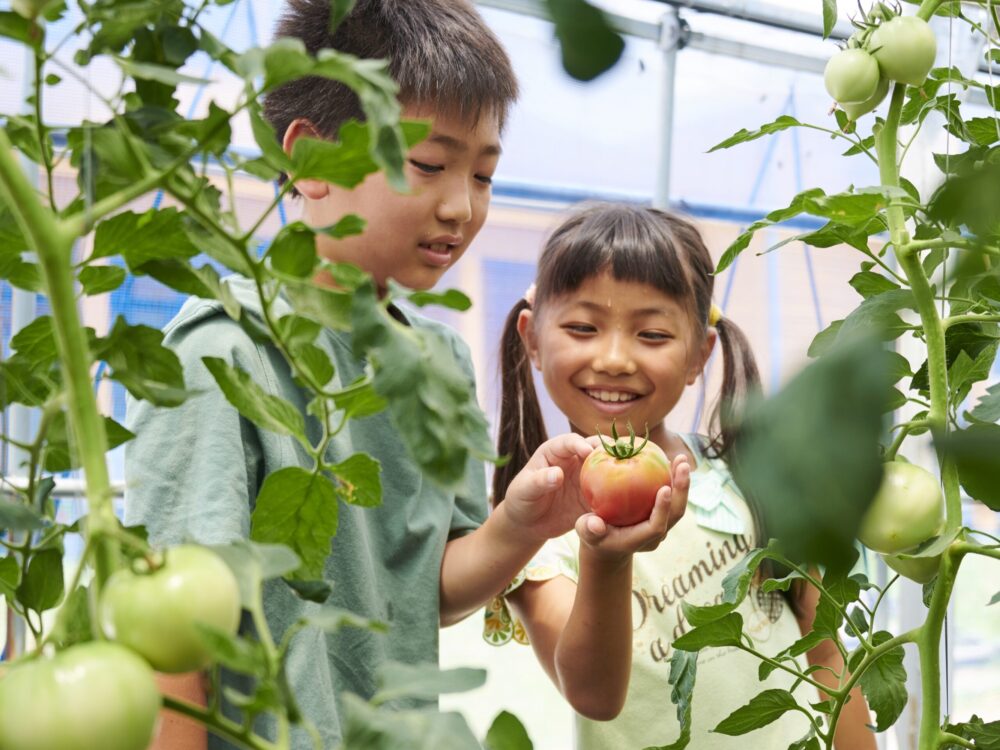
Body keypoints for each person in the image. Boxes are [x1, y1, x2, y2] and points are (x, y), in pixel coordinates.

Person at [124, 2, 636, 748]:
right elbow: (169, 643)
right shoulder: (221, 356)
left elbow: (431, 594)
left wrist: (520, 526)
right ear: (309, 160)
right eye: (428, 164)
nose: (461, 206)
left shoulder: (439, 363)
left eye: (485, 175)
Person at [486, 203, 876, 749]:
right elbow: (595, 695)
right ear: (532, 338)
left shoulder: (750, 476)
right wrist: (606, 556)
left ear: (699, 353)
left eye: (651, 334)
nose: (616, 358)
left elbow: (825, 652)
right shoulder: (531, 532)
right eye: (582, 327)